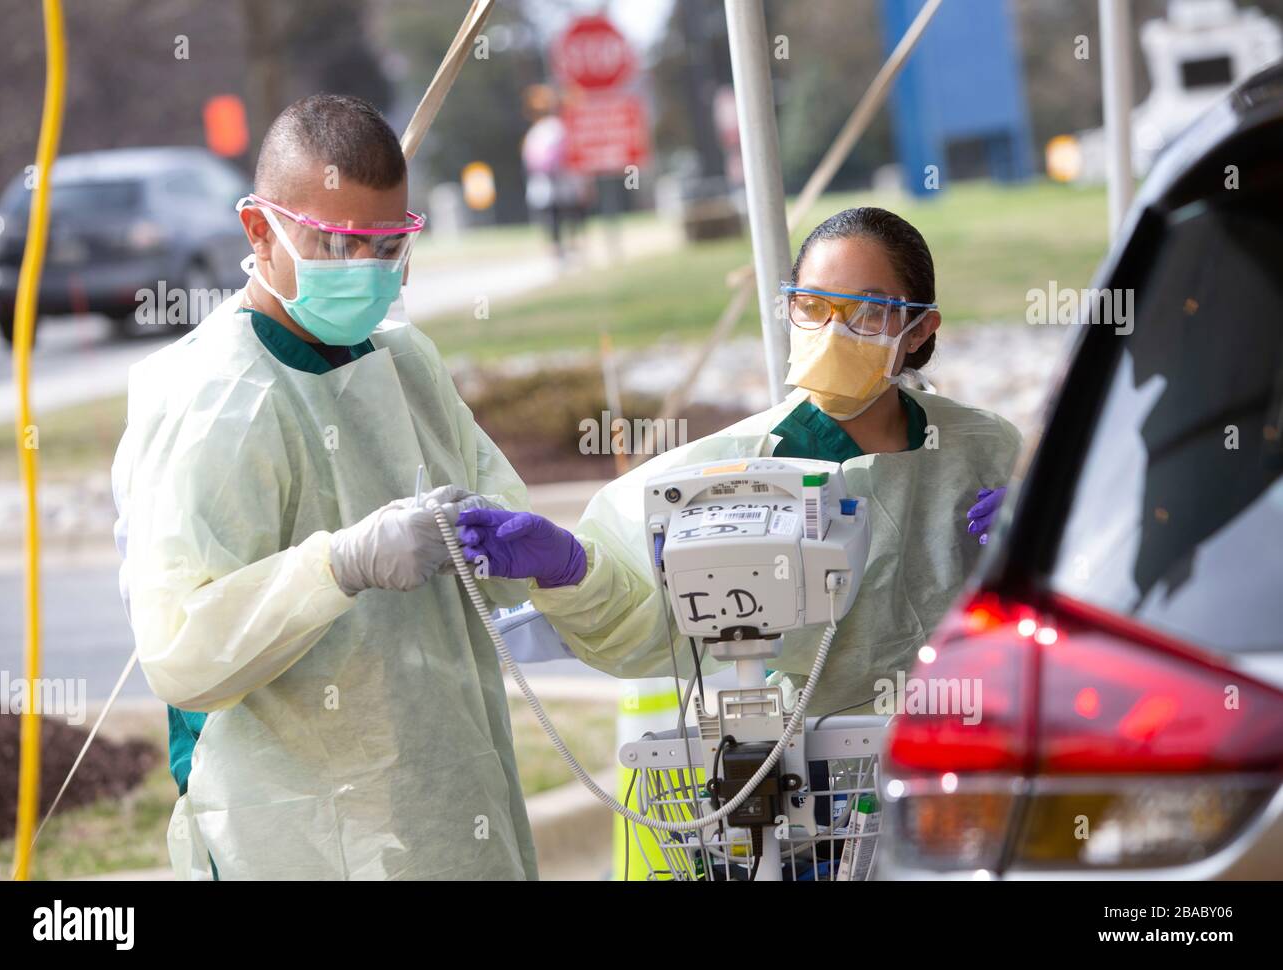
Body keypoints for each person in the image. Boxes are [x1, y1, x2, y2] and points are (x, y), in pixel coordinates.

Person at [111, 94, 538, 880]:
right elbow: (181, 652)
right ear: (258, 231)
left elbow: (503, 525)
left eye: (387, 246)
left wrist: (517, 547)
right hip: (282, 831)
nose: (365, 272)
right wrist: (339, 565)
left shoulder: (406, 364)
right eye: (336, 242)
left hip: (442, 803)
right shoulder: (214, 399)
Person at [455, 206, 1023, 716]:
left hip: (973, 739)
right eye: (812, 306)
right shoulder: (738, 468)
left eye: (867, 313)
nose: (832, 333)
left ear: (920, 327)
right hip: (815, 769)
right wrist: (568, 569)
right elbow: (646, 624)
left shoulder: (985, 448)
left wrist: (1053, 538)